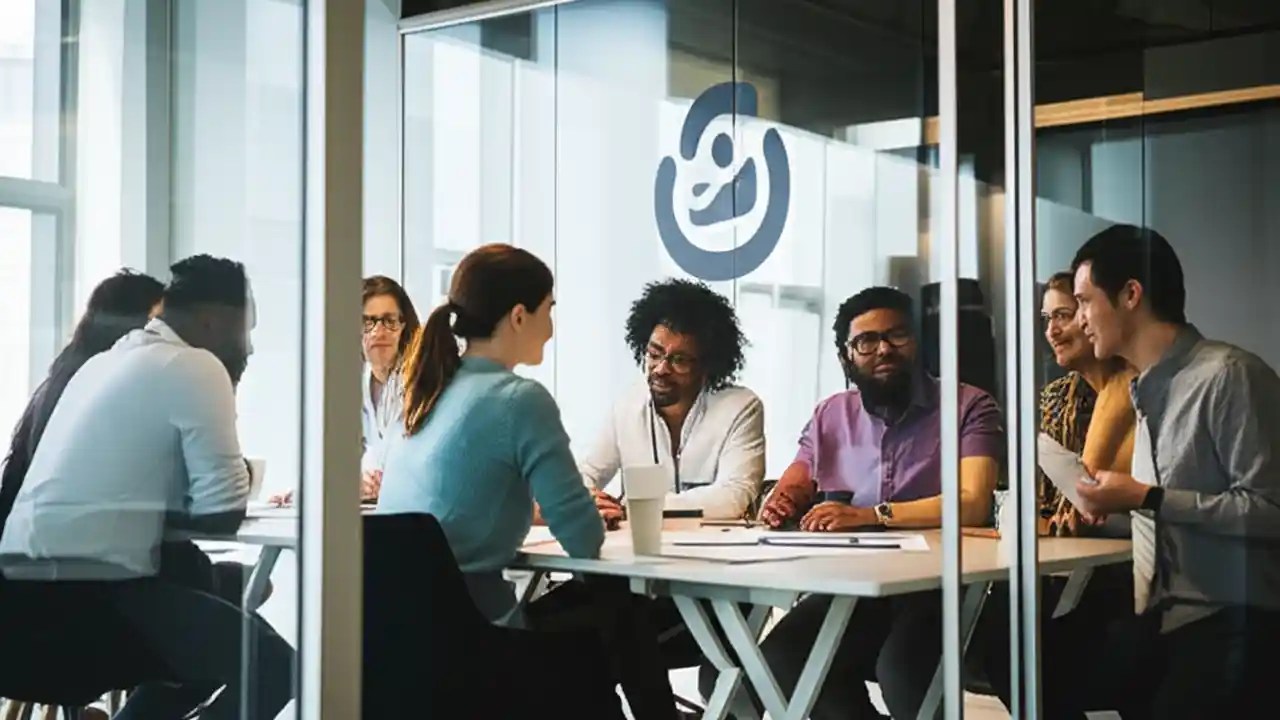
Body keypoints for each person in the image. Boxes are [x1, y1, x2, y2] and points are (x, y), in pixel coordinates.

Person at [376, 244, 675, 719]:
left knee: (605, 617)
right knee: (622, 607)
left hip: (399, 646)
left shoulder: (427, 391)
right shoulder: (520, 400)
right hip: (477, 643)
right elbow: (582, 537)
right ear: (519, 316)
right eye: (549, 310)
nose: (552, 328)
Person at [0, 255, 293, 720]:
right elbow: (223, 509)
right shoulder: (195, 366)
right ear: (213, 320)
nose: (251, 348)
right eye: (246, 330)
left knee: (208, 654)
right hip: (87, 599)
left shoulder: (103, 362)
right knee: (275, 665)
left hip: (22, 603)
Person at [744, 286, 1003, 720]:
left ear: (917, 342)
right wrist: (782, 501)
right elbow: (799, 476)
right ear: (846, 356)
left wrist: (872, 516)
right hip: (856, 587)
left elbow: (973, 503)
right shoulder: (832, 414)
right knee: (785, 657)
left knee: (901, 669)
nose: (883, 348)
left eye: (897, 335)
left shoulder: (968, 405)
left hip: (938, 587)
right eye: (866, 341)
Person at [1062, 225, 1280, 720]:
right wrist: (1114, 506)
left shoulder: (1229, 376)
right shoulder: (1145, 390)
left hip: (1235, 618)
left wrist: (1146, 498)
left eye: (1084, 301)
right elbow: (1172, 504)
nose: (1078, 322)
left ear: (1131, 295)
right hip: (1167, 614)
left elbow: (1271, 509)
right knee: (1025, 653)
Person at [978, 271, 1136, 714]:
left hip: (1126, 568)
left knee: (1034, 646)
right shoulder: (1055, 396)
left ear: (1090, 317)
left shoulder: (1137, 387)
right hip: (1062, 567)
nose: (1051, 330)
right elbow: (1042, 497)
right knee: (1004, 632)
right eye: (1047, 318)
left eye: (1063, 315)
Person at [578, 278, 765, 521]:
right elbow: (585, 474)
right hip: (639, 552)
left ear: (706, 367)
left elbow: (734, 496)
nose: (660, 369)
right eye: (654, 354)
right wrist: (588, 498)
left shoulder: (740, 408)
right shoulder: (628, 407)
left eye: (679, 361)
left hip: (713, 552)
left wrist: (639, 507)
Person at [0, 270, 164, 537]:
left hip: (40, 548)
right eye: (158, 323)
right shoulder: (101, 384)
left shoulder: (69, 374)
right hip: (65, 558)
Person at [270, 275, 419, 506]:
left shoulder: (417, 382)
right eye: (367, 322)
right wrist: (298, 493)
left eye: (389, 320)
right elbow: (337, 458)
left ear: (404, 325)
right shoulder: (357, 384)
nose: (379, 332)